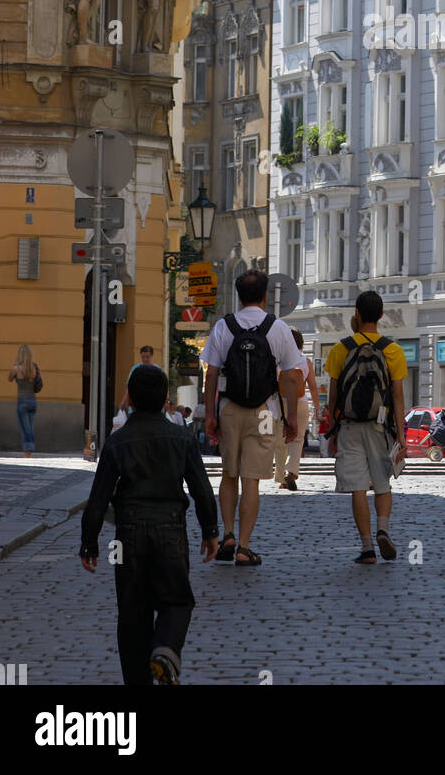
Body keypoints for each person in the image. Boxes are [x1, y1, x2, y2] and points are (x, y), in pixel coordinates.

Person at [80, 364, 219, 685]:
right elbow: (200, 488)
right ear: (164, 400)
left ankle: (137, 681)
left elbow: (98, 496)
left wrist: (89, 542)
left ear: (131, 399)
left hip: (126, 536)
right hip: (170, 530)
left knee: (131, 612)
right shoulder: (182, 437)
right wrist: (211, 530)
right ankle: (166, 650)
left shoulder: (118, 441)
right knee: (177, 600)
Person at [201, 269, 304, 566]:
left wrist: (210, 414)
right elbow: (291, 376)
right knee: (252, 480)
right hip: (264, 410)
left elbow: (212, 374)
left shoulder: (224, 326)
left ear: (238, 295)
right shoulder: (278, 328)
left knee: (228, 474)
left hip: (230, 409)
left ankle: (228, 534)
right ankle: (245, 547)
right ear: (264, 296)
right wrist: (291, 418)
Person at [325, 290, 407, 563]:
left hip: (349, 426)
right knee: (382, 484)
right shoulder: (392, 350)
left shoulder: (341, 348)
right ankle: (383, 528)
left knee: (358, 487)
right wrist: (402, 436)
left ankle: (367, 547)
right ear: (382, 316)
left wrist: (333, 427)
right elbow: (397, 396)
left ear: (357, 315)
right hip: (380, 425)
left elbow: (334, 396)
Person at [275, 328, 320, 490]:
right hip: (301, 402)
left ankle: (281, 477)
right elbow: (313, 387)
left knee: (281, 439)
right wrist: (317, 407)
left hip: (281, 403)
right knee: (298, 438)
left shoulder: (278, 361)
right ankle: (291, 472)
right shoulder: (305, 361)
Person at [8, 344, 41, 456]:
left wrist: (15, 367)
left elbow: (9, 378)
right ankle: (29, 449)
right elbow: (38, 383)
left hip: (22, 401)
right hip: (33, 401)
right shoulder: (34, 368)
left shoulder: (16, 368)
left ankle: (28, 450)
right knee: (30, 427)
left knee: (25, 427)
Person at [119, 346, 159, 413]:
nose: (145, 359)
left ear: (152, 356)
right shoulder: (135, 369)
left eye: (147, 357)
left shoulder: (157, 370)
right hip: (135, 406)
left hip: (152, 407)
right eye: (143, 357)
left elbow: (161, 388)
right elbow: (129, 387)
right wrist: (123, 402)